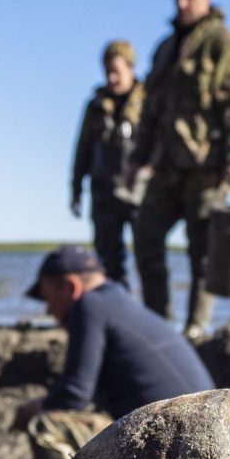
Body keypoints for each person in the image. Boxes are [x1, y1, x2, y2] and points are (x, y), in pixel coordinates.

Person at [13, 243, 214, 459]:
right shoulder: (118, 303)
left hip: (173, 446)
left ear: (70, 287)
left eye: (48, 299)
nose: (49, 311)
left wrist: (30, 410)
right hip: (202, 437)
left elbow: (74, 394)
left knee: (47, 425)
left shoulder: (89, 305)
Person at [129, 0, 230, 343]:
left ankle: (196, 327)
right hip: (166, 165)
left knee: (203, 250)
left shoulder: (224, 43)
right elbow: (149, 111)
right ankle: (158, 323)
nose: (182, 3)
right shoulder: (165, 48)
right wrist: (137, 159)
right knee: (145, 235)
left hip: (206, 165)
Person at [69, 39, 145, 286]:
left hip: (140, 192)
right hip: (103, 192)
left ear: (131, 69)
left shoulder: (148, 102)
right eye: (107, 72)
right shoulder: (96, 106)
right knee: (108, 261)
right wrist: (76, 188)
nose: (111, 78)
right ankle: (117, 304)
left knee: (148, 258)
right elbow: (82, 149)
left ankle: (151, 309)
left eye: (116, 72)